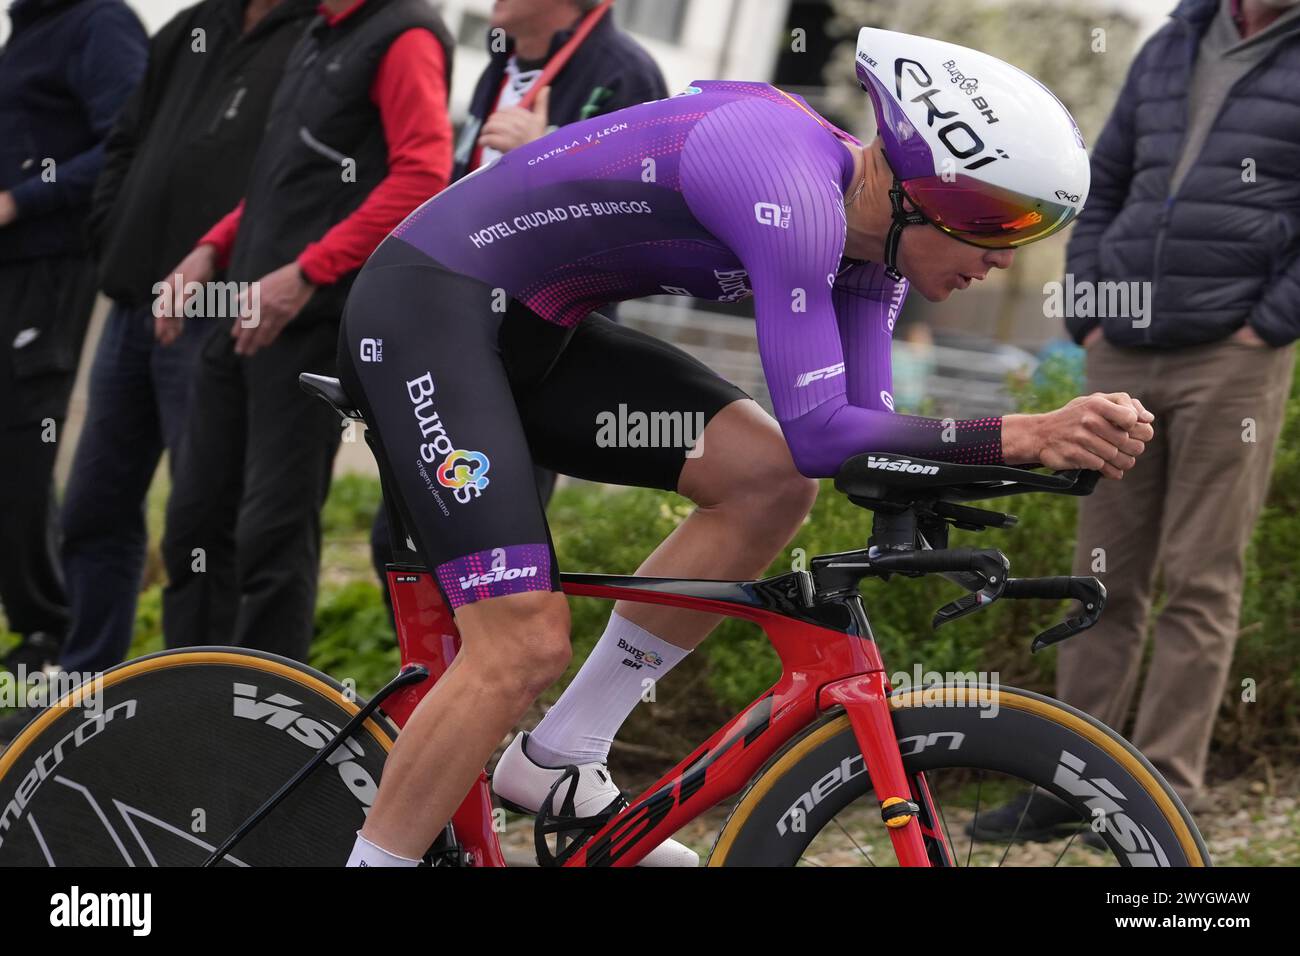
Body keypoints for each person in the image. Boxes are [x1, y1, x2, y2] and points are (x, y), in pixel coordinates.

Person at [337, 28, 1155, 867]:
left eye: (1026, 230)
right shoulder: (792, 190)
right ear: (915, 188)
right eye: (994, 220)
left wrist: (1028, 453)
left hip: (539, 332)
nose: (1000, 256)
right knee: (520, 644)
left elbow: (853, 447)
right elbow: (821, 428)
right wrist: (1023, 431)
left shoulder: (876, 255)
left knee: (767, 482)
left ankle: (560, 759)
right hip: (425, 312)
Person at [976, 0, 1300, 842]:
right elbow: (1105, 174)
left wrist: (1270, 321)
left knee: (1201, 577)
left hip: (1233, 355)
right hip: (1122, 346)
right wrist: (1086, 303)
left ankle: (1159, 792)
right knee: (1103, 573)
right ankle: (1072, 781)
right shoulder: (1173, 40)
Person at [156, 0, 454, 663]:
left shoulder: (403, 34)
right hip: (245, 317)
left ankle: (264, 725)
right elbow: (280, 185)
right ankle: (183, 708)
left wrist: (307, 274)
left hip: (310, 326)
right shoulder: (319, 33)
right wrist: (211, 248)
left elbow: (423, 176)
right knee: (195, 527)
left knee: (272, 535)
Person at [49, 0, 319, 697]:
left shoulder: (317, 38)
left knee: (203, 523)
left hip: (225, 309)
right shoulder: (193, 26)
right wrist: (114, 237)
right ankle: (84, 696)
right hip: (136, 299)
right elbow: (125, 137)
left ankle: (199, 710)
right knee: (92, 509)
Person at [368, 0, 668, 584]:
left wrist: (548, 148)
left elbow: (646, 213)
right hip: (446, 325)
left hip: (531, 344)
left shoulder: (625, 71)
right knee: (403, 541)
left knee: (488, 559)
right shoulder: (498, 64)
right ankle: (435, 676)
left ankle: (494, 669)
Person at [0, 0, 145, 675]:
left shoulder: (98, 23)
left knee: (24, 444)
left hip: (52, 268)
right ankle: (35, 632)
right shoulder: (27, 29)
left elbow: (126, 139)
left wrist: (19, 199)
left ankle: (49, 634)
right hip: (12, 269)